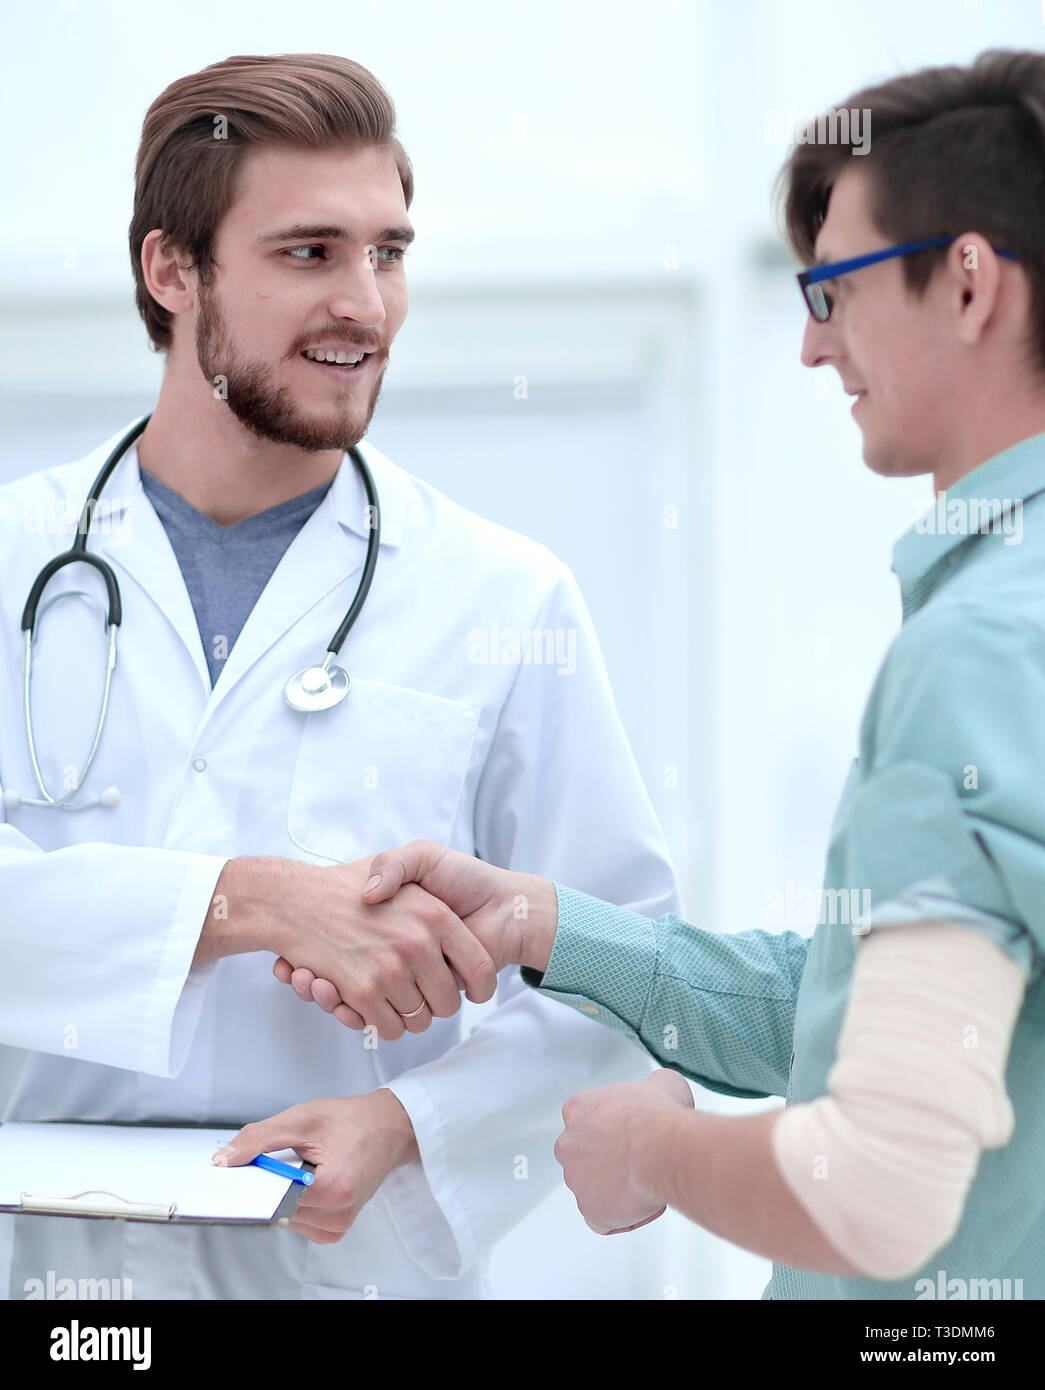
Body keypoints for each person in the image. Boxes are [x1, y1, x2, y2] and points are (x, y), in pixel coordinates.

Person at [242, 49, 1045, 1299]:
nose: (808, 349)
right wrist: (546, 927)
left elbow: (881, 1182)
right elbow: (863, 1018)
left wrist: (656, 1148)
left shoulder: (984, 646)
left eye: (830, 289)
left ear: (969, 281)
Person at [0, 53, 680, 1300]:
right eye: (309, 253)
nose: (365, 304)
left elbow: (624, 970)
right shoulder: (11, 565)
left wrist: (416, 1126)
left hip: (336, 1278)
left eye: (389, 252)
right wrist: (240, 902)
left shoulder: (502, 596)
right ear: (171, 269)